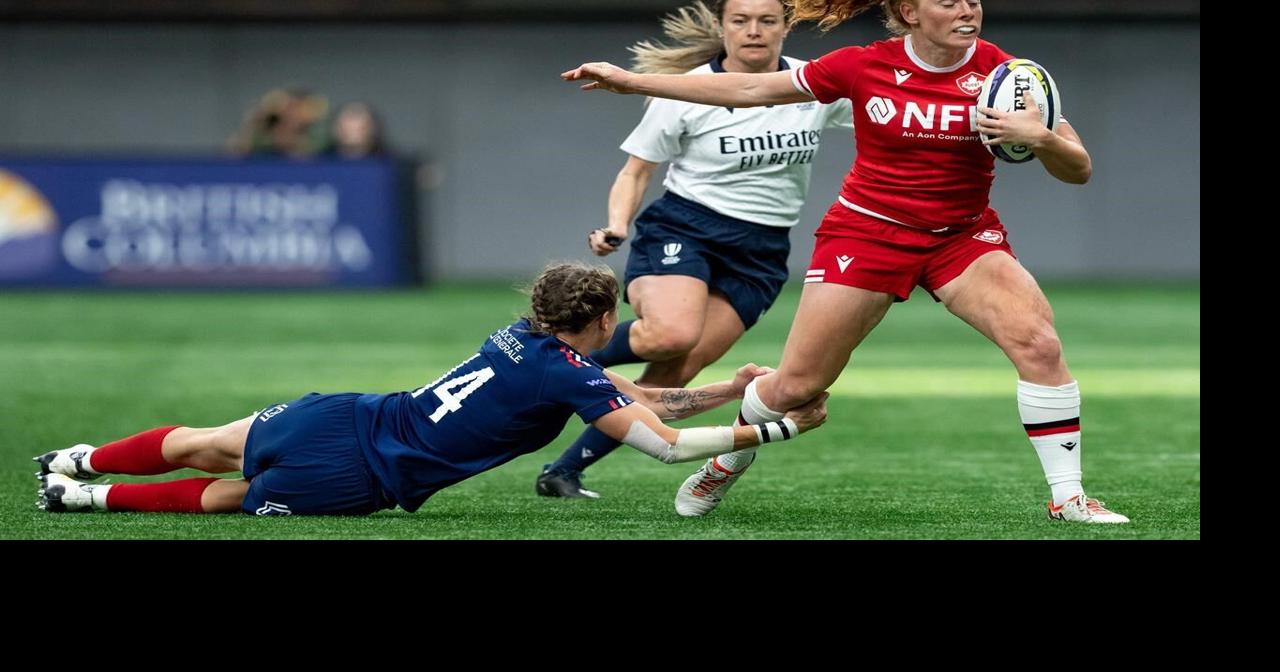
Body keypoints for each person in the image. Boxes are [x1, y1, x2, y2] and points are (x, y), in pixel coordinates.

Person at [561, 0, 1129, 523]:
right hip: (867, 233)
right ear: (909, 11)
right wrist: (629, 80)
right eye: (949, 0)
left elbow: (1078, 169)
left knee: (1040, 344)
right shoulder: (860, 66)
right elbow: (753, 91)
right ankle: (728, 458)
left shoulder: (1008, 75)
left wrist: (1044, 139)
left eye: (973, 0)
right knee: (796, 387)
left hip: (961, 236)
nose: (967, 10)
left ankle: (1068, 498)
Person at [34, 262, 827, 516]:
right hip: (368, 473)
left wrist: (728, 385)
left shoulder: (524, 340)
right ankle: (82, 501)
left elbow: (630, 396)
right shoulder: (568, 371)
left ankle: (79, 457)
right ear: (598, 320)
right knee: (221, 495)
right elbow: (665, 446)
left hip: (348, 415)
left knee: (203, 440)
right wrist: (779, 428)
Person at [535, 0, 853, 499]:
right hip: (686, 227)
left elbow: (885, 113)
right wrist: (617, 224)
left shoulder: (810, 85)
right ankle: (546, 353)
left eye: (767, 20)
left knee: (677, 371)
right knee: (671, 334)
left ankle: (563, 471)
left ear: (786, 28)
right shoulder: (685, 90)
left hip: (763, 249)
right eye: (740, 20)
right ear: (724, 27)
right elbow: (636, 170)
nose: (753, 31)